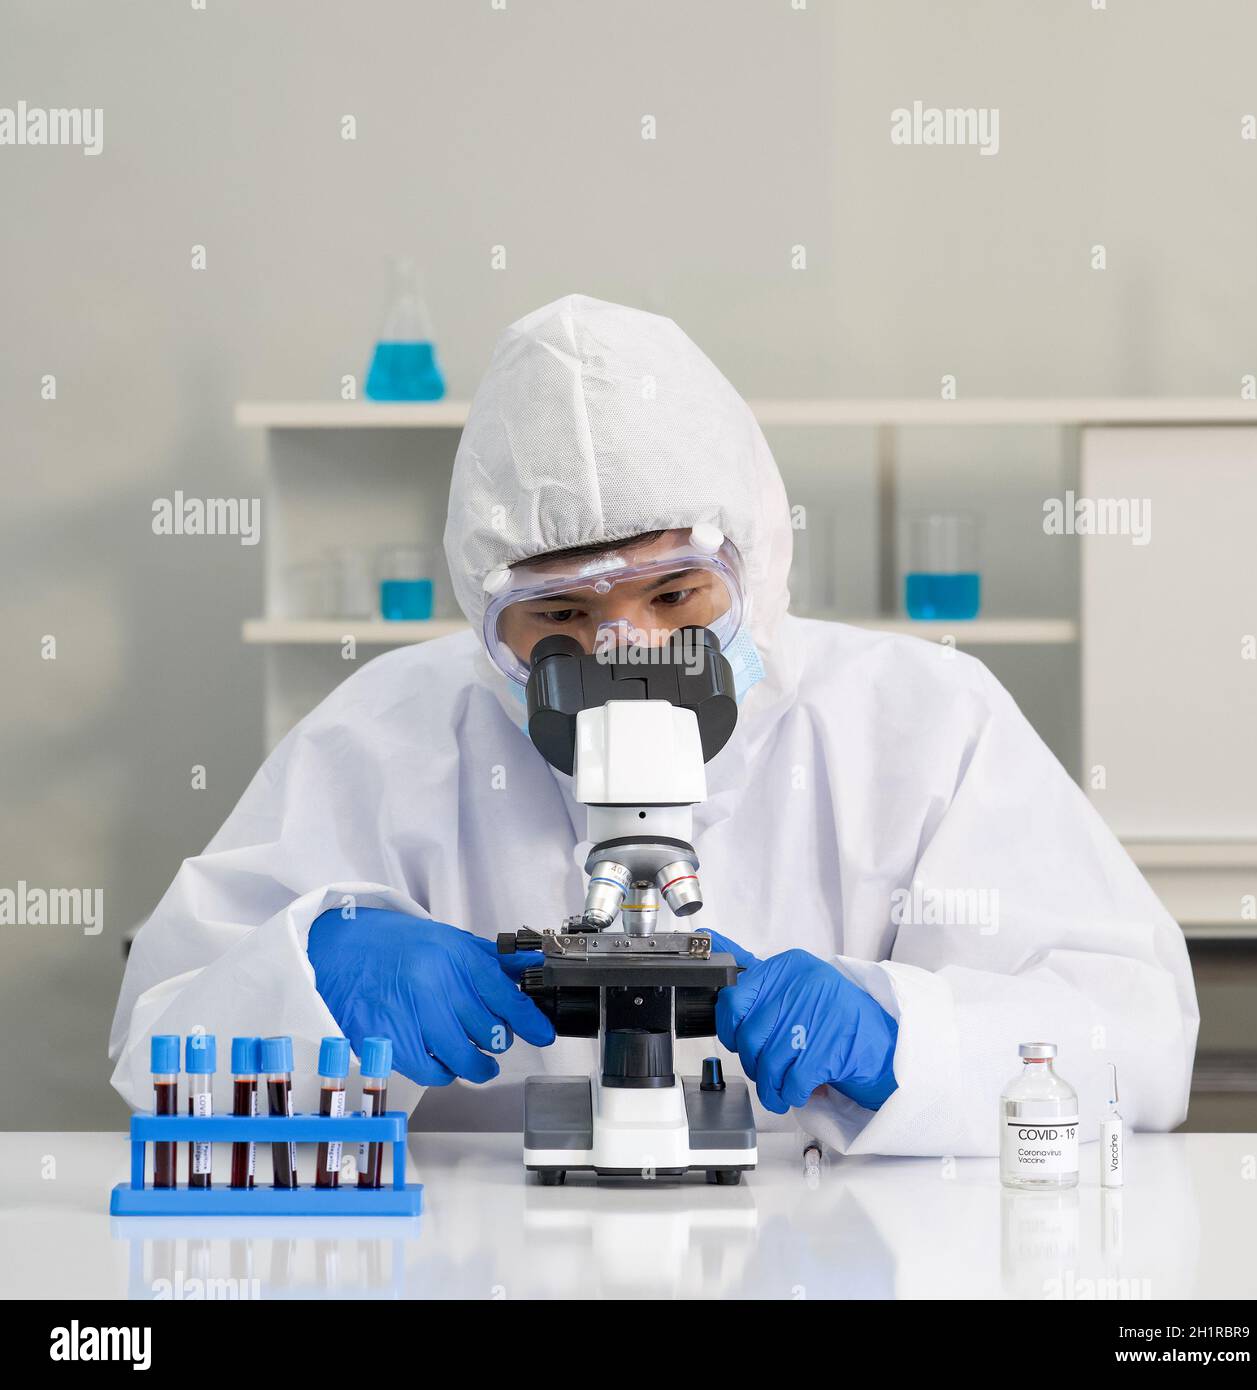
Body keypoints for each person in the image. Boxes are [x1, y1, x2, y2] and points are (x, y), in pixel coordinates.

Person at [111, 294, 1198, 1154]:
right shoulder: (384, 734)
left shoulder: (923, 722)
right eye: (563, 615)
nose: (624, 652)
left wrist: (897, 1033)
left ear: (754, 563)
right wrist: (310, 970)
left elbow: (1134, 1040)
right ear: (489, 621)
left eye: (674, 597)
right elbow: (155, 1043)